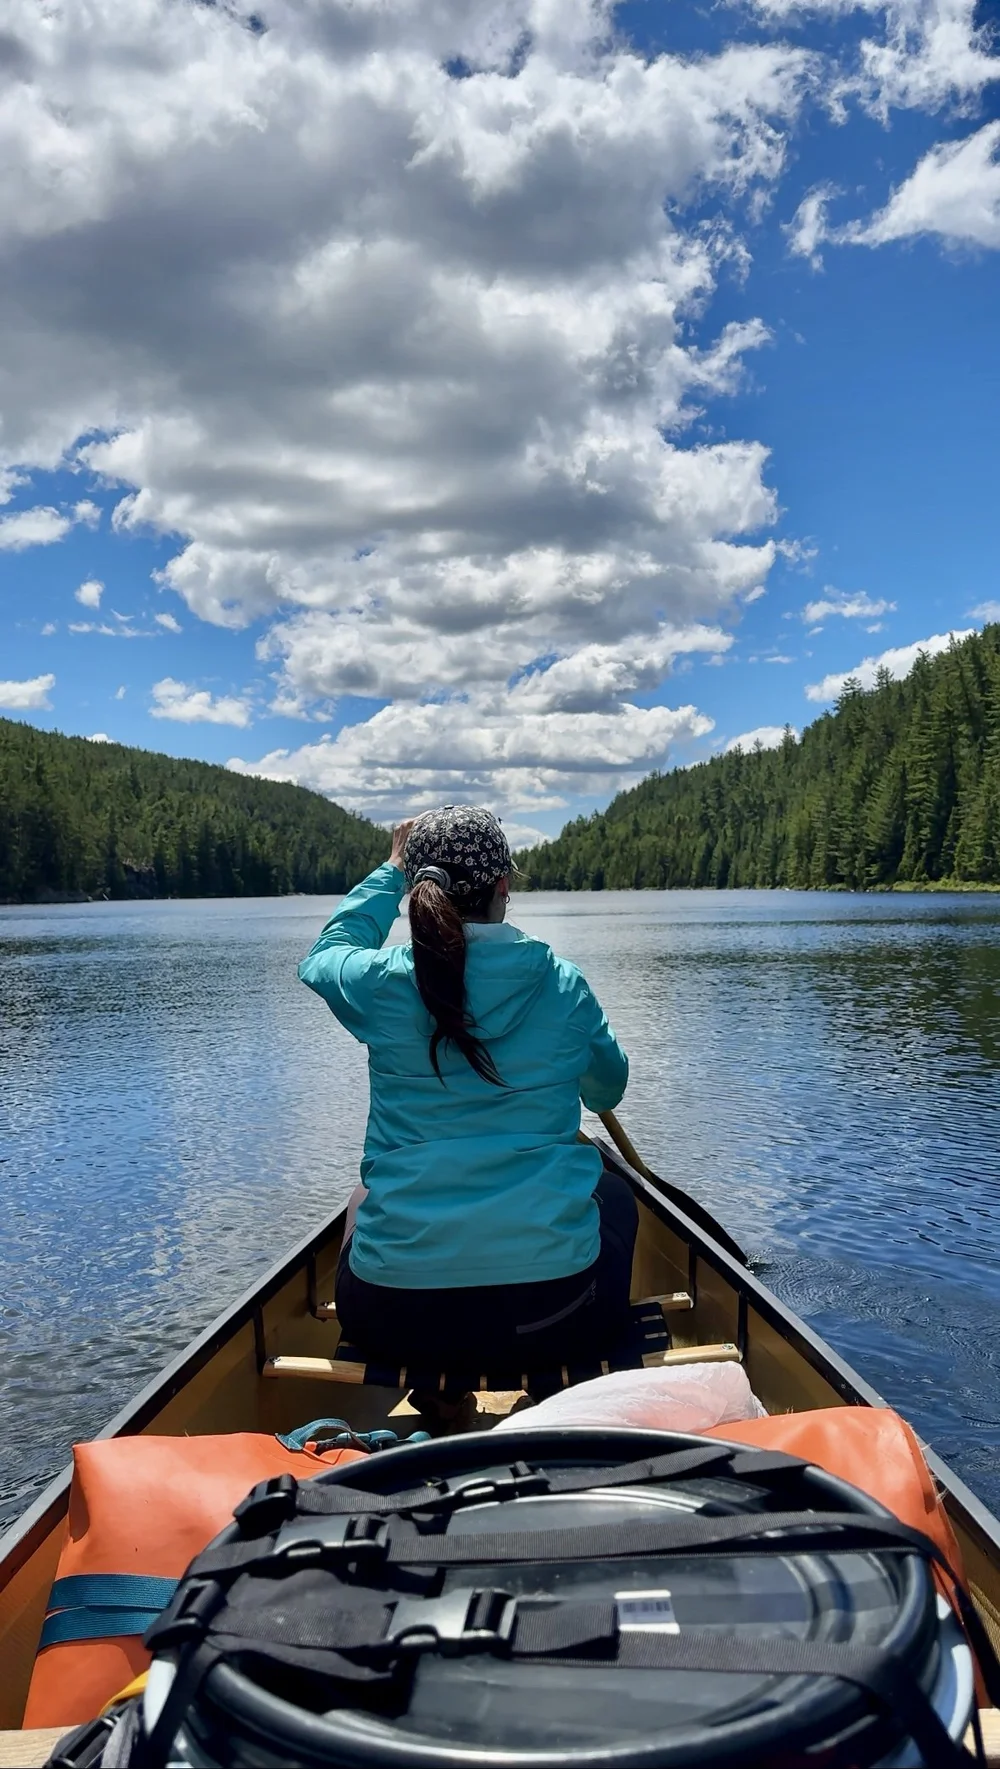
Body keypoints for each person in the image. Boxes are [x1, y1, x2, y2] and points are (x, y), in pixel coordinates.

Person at [298, 803, 636, 1372]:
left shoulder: (381, 983)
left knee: (363, 1200)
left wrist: (388, 872)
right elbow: (609, 1089)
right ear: (502, 886)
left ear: (416, 890)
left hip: (391, 1319)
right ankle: (552, 1388)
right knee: (618, 1197)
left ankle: (438, 1397)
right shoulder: (562, 985)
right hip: (554, 1316)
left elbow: (322, 958)